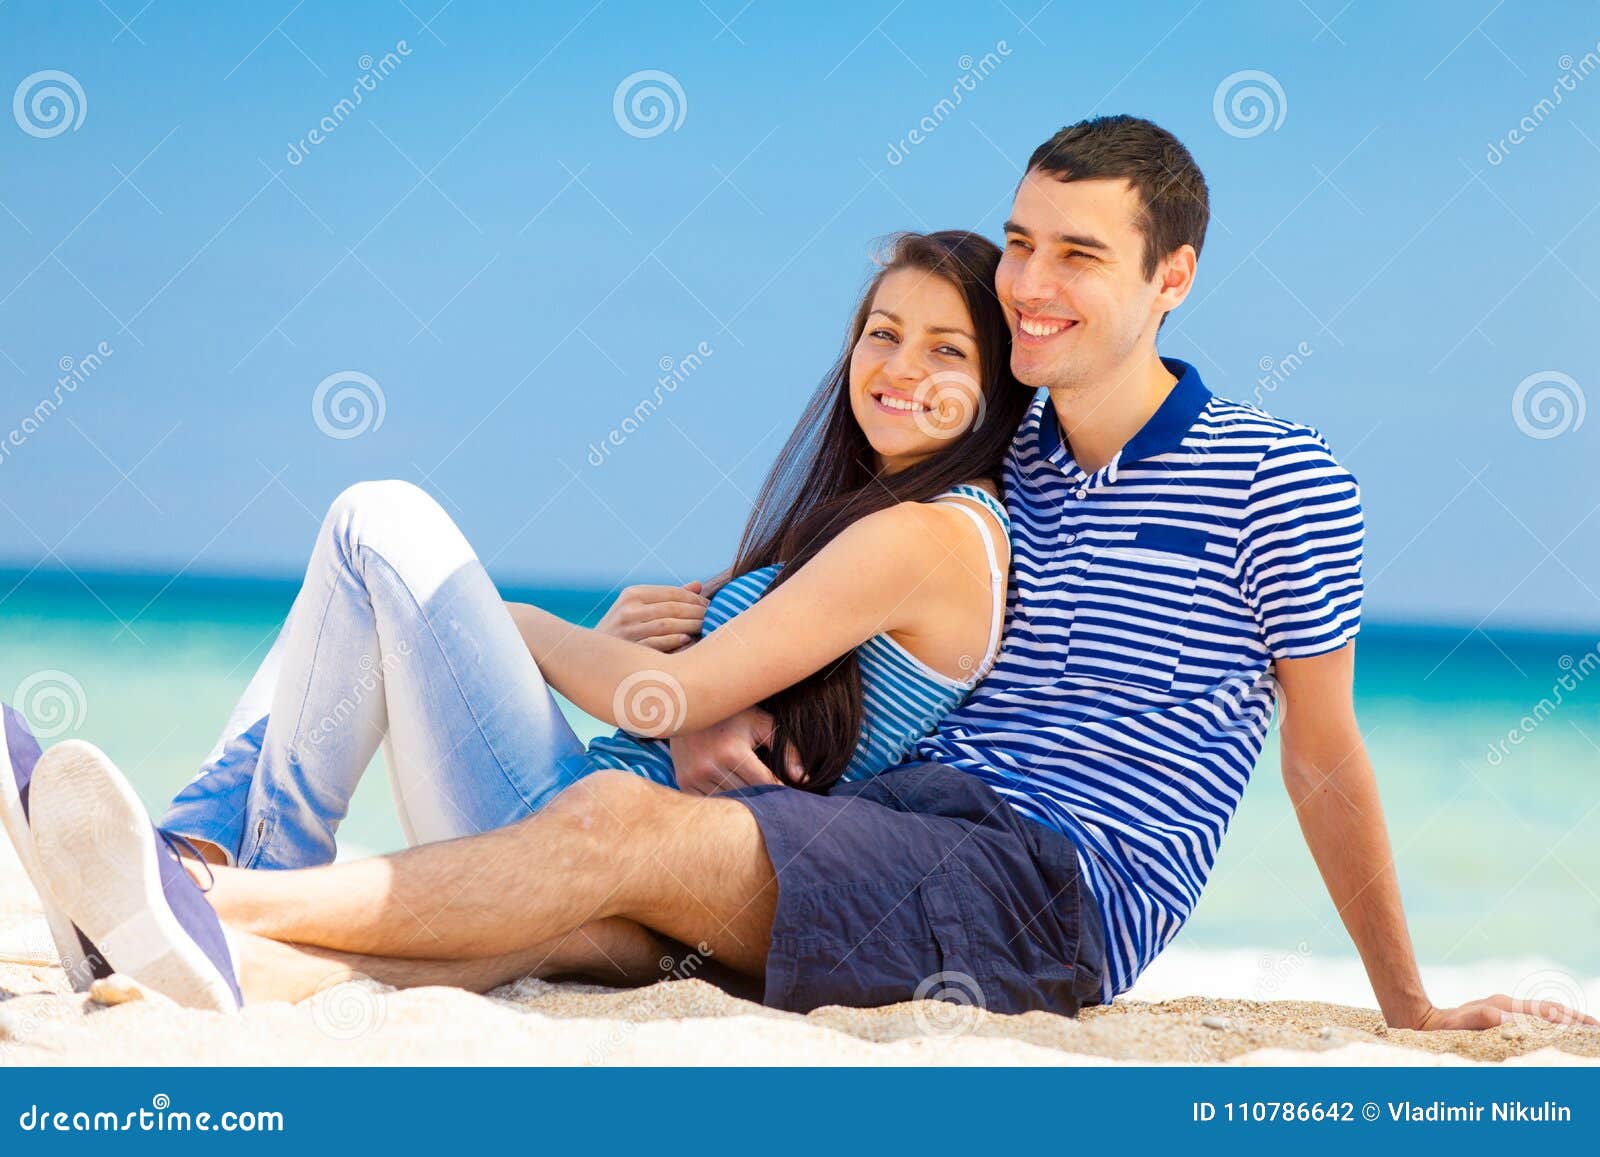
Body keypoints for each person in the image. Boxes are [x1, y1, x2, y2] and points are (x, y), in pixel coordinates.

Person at [17, 116, 1593, 1033]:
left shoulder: (1278, 476)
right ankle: (208, 954)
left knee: (617, 829)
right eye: (1022, 244)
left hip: (1056, 886)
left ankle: (202, 881)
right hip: (897, 823)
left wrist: (1407, 1006)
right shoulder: (1011, 461)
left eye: (1079, 257)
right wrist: (718, 674)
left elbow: (1323, 754)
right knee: (613, 903)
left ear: (1175, 279)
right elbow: (864, 658)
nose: (1034, 286)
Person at [5, 229, 1038, 1010]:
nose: (900, 367)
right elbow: (691, 700)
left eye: (947, 350)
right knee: (376, 552)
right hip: (581, 842)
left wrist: (517, 624)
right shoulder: (873, 523)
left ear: (995, 388)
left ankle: (213, 864)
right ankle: (178, 896)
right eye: (882, 332)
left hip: (592, 845)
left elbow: (668, 698)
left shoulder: (935, 534)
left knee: (379, 523)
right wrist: (634, 638)